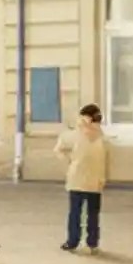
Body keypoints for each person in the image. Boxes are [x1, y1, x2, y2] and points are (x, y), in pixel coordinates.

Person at [54, 103, 109, 254]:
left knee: (92, 214)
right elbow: (59, 149)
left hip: (94, 181)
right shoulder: (75, 135)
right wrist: (69, 161)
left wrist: (104, 177)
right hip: (77, 179)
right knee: (76, 213)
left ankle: (92, 242)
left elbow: (105, 160)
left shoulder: (101, 137)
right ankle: (73, 241)